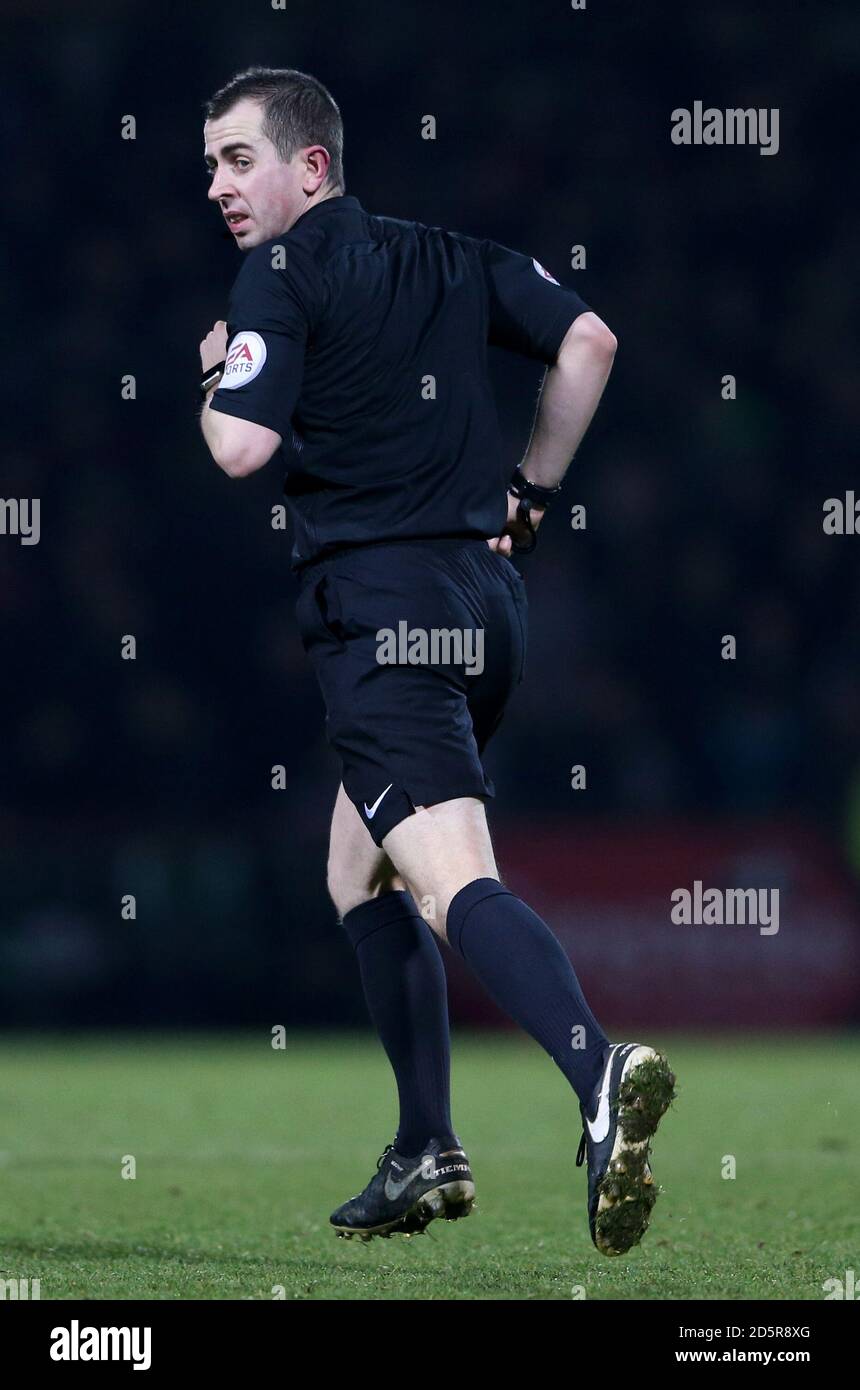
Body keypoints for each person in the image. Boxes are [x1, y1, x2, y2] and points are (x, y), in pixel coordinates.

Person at [198, 66, 674, 1256]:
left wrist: (213, 371)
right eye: (208, 164)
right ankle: (425, 1146)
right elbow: (589, 341)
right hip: (484, 604)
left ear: (310, 166)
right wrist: (534, 489)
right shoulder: (454, 256)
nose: (217, 185)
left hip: (382, 609)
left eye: (235, 159)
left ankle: (598, 1072)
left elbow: (242, 449)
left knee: (452, 879)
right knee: (356, 869)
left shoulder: (280, 271)